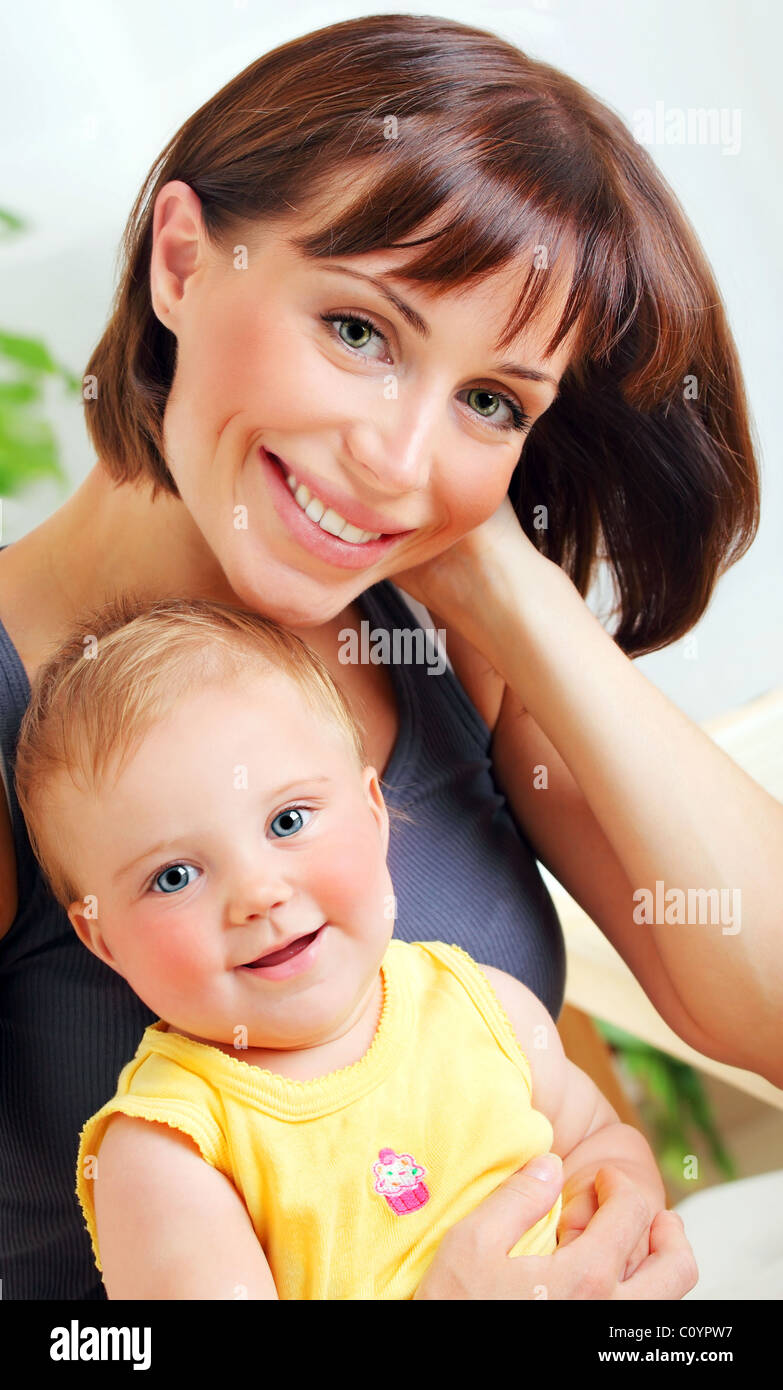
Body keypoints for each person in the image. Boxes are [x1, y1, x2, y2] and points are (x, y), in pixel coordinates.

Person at [3, 11, 779, 1299]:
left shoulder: (439, 633)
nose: (402, 456)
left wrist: (496, 576)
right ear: (185, 262)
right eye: (361, 332)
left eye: (492, 400)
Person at [14, 594, 670, 1300]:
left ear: (373, 811)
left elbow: (599, 1143)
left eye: (288, 820)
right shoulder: (169, 1155)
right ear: (102, 937)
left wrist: (620, 1202)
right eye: (174, 876)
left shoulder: (485, 1007)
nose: (258, 894)